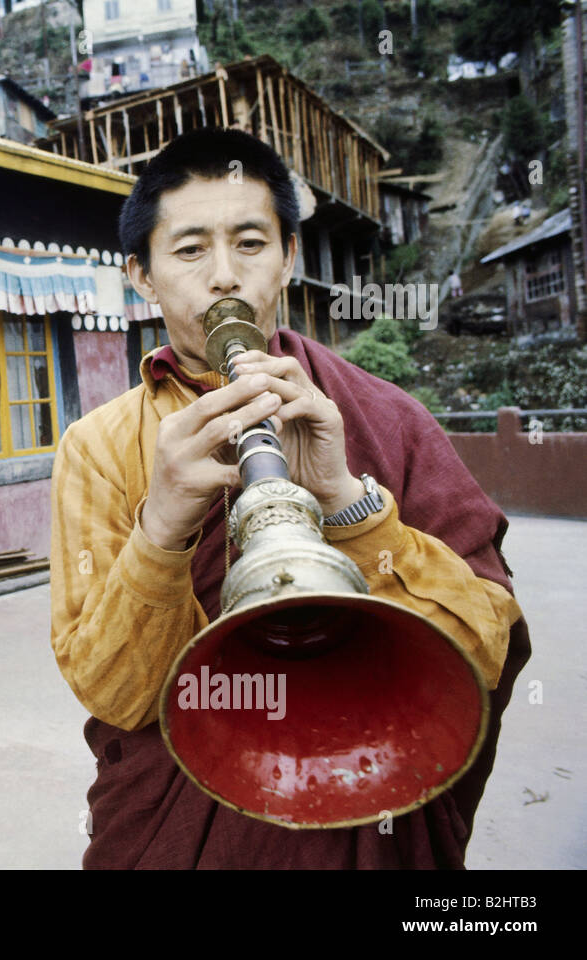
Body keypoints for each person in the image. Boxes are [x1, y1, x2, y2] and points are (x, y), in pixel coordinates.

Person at [49, 127, 530, 868]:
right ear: (140, 277)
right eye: (188, 251)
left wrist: (346, 502)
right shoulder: (99, 446)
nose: (224, 278)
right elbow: (113, 693)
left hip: (364, 790)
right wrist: (162, 531)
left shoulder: (383, 414)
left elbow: (486, 647)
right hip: (178, 820)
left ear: (288, 258)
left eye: (249, 244)